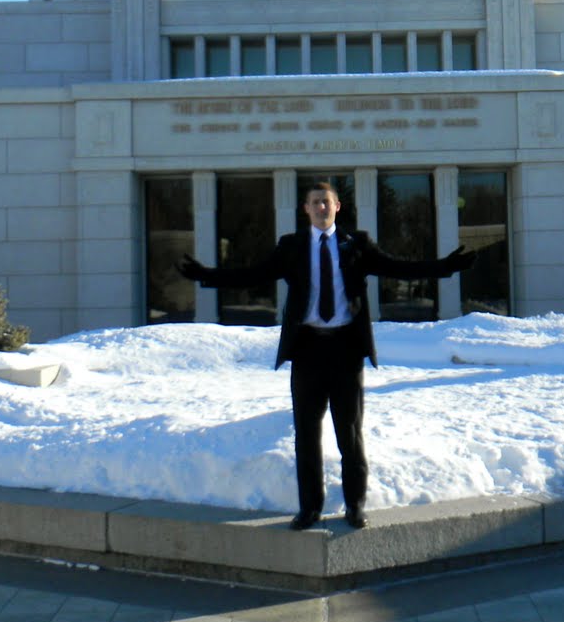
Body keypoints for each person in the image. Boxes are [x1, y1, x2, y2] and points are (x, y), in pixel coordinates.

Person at [177, 182, 475, 531]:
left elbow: (399, 268)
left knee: (349, 433)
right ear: (306, 209)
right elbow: (253, 273)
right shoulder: (292, 247)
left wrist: (445, 267)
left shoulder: (356, 245)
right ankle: (310, 508)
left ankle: (354, 505)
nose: (321, 208)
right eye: (315, 203)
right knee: (306, 434)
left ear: (338, 207)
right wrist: (205, 276)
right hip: (308, 352)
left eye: (327, 203)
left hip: (346, 351)